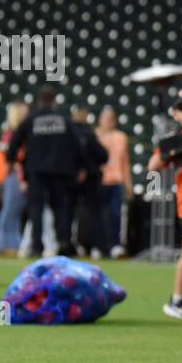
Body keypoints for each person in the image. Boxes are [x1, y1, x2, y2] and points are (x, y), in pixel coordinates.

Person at [8, 87, 82, 257]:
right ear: (54, 101)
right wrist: (79, 166)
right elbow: (78, 144)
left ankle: (37, 246)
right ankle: (63, 243)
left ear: (39, 101)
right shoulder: (64, 120)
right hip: (61, 172)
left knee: (36, 210)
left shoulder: (31, 119)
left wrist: (11, 160)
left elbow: (15, 142)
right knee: (61, 209)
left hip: (36, 172)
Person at [148, 97, 182, 318]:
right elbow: (152, 167)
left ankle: (177, 300)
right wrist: (172, 152)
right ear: (176, 115)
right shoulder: (172, 141)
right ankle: (179, 299)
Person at [70, 108, 110, 257]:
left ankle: (68, 244)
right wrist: (86, 168)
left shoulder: (69, 133)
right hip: (91, 179)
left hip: (70, 178)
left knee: (68, 213)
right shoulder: (88, 133)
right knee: (94, 213)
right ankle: (100, 247)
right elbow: (103, 155)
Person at [96, 108, 133, 258]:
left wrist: (128, 183)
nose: (108, 121)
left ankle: (115, 245)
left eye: (111, 118)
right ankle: (100, 245)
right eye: (105, 118)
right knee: (99, 215)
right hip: (100, 180)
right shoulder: (96, 135)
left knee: (116, 214)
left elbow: (125, 162)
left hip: (117, 181)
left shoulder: (121, 137)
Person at [0, 101, 29, 253]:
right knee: (10, 209)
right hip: (15, 175)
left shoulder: (15, 132)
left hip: (17, 174)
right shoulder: (12, 133)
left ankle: (11, 243)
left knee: (14, 210)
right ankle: (6, 244)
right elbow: (15, 158)